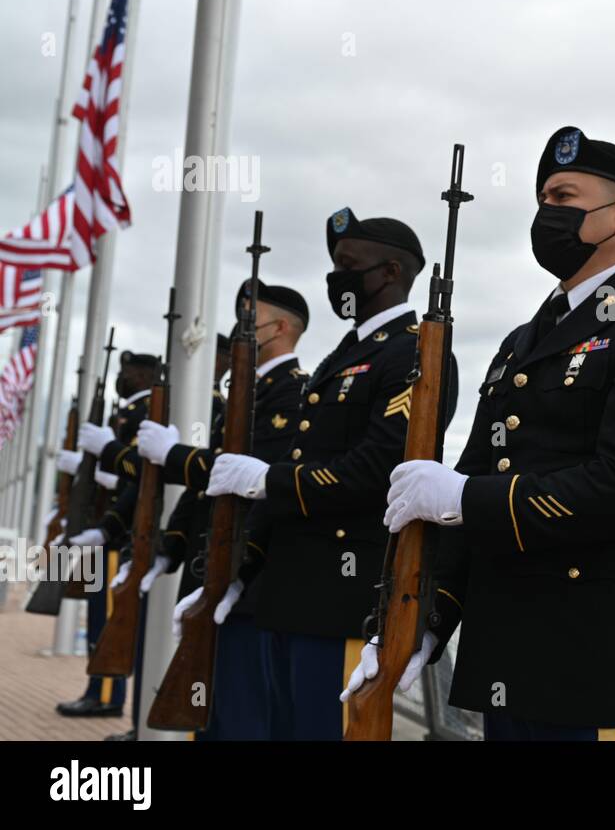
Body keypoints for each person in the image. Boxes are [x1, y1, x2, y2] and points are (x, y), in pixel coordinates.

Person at [345, 126, 615, 741]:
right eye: (542, 199)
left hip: (594, 668)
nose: (546, 214)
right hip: (506, 662)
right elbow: (467, 491)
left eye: (563, 197)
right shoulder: (519, 342)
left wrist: (462, 498)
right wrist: (427, 620)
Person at [204, 210, 456, 740]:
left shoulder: (413, 351)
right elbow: (306, 461)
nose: (335, 278)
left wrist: (265, 481)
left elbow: (377, 471)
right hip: (289, 592)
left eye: (347, 265)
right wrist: (246, 568)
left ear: (389, 272)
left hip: (344, 598)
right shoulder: (346, 354)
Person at [142, 284, 308, 739]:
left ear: (279, 328)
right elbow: (209, 493)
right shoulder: (248, 395)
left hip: (248, 579)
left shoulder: (292, 395)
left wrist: (174, 455)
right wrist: (168, 548)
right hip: (215, 566)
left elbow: (263, 487)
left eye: (250, 321)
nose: (241, 330)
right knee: (210, 708)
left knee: (241, 711)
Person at [55, 350, 160, 720]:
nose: (124, 376)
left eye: (130, 370)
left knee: (109, 619)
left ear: (146, 375)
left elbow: (139, 477)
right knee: (97, 615)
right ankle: (96, 689)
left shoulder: (145, 410)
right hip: (101, 530)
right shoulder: (126, 410)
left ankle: (106, 694)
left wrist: (95, 472)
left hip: (117, 536)